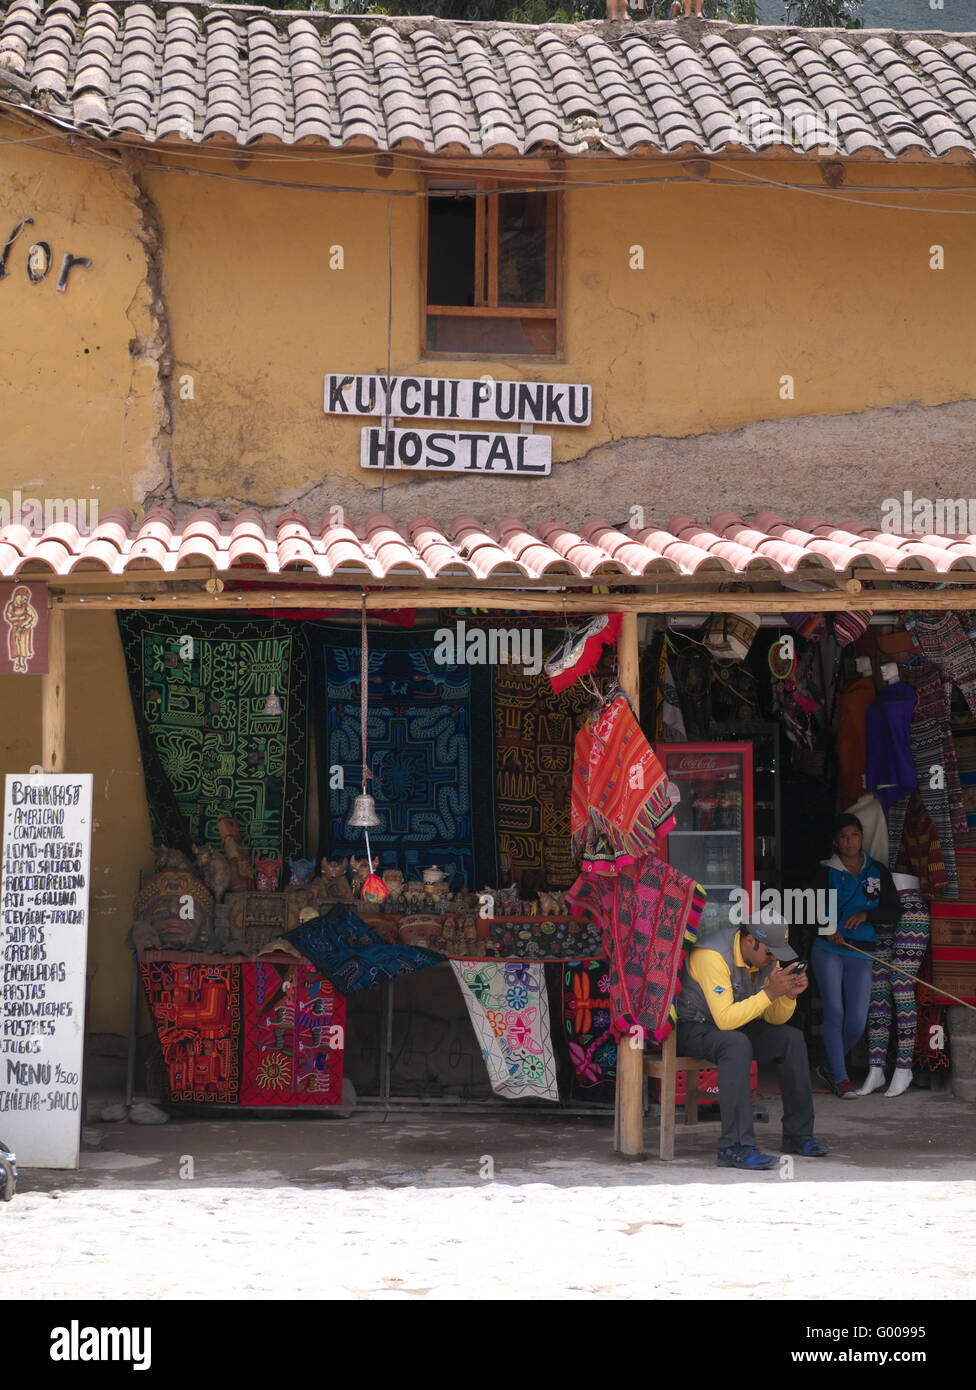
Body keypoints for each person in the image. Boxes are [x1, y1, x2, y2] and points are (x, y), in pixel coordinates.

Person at [675, 916, 828, 1170]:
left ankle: (797, 1136)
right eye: (770, 953)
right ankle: (734, 1146)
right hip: (694, 1026)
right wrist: (770, 993)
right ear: (750, 941)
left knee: (790, 1039)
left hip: (734, 1025)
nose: (773, 959)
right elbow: (724, 1020)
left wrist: (788, 996)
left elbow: (773, 1017)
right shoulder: (711, 955)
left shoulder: (767, 956)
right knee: (736, 1044)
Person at [809, 814, 902, 1098]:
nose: (850, 841)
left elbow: (894, 911)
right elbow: (807, 907)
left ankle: (828, 1066)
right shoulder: (825, 872)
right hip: (828, 950)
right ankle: (841, 1078)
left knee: (857, 1021)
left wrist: (867, 914)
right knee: (835, 1011)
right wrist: (827, 929)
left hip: (862, 951)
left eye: (854, 835)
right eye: (844, 836)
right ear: (836, 842)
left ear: (862, 837)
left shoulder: (877, 871)